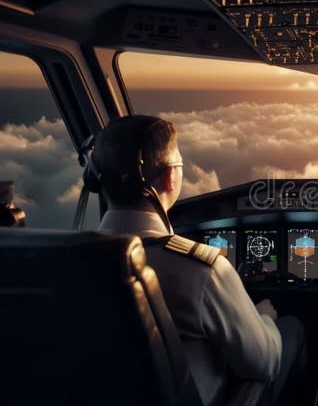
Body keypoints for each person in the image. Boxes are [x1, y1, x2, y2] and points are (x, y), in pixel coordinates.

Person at [90, 115, 305, 405]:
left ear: (95, 179)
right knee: (290, 329)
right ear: (170, 177)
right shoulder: (201, 270)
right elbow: (264, 363)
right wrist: (264, 317)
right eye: (179, 165)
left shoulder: (66, 264)